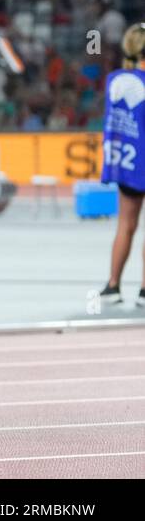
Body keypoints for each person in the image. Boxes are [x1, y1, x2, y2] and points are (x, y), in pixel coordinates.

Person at [99, 22, 145, 308]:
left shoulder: (114, 79)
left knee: (125, 224)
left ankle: (113, 285)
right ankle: (143, 291)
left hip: (126, 160)